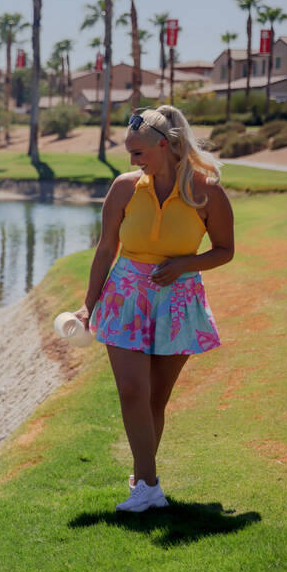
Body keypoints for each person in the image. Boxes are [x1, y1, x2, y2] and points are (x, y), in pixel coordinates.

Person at [74, 105, 234, 512]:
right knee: (132, 391)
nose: (132, 161)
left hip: (178, 300)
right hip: (125, 296)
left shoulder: (207, 191)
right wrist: (86, 306)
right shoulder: (125, 187)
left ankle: (141, 481)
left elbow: (225, 250)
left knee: (155, 400)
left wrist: (184, 264)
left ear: (164, 146)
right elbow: (106, 248)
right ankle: (148, 486)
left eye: (138, 152)